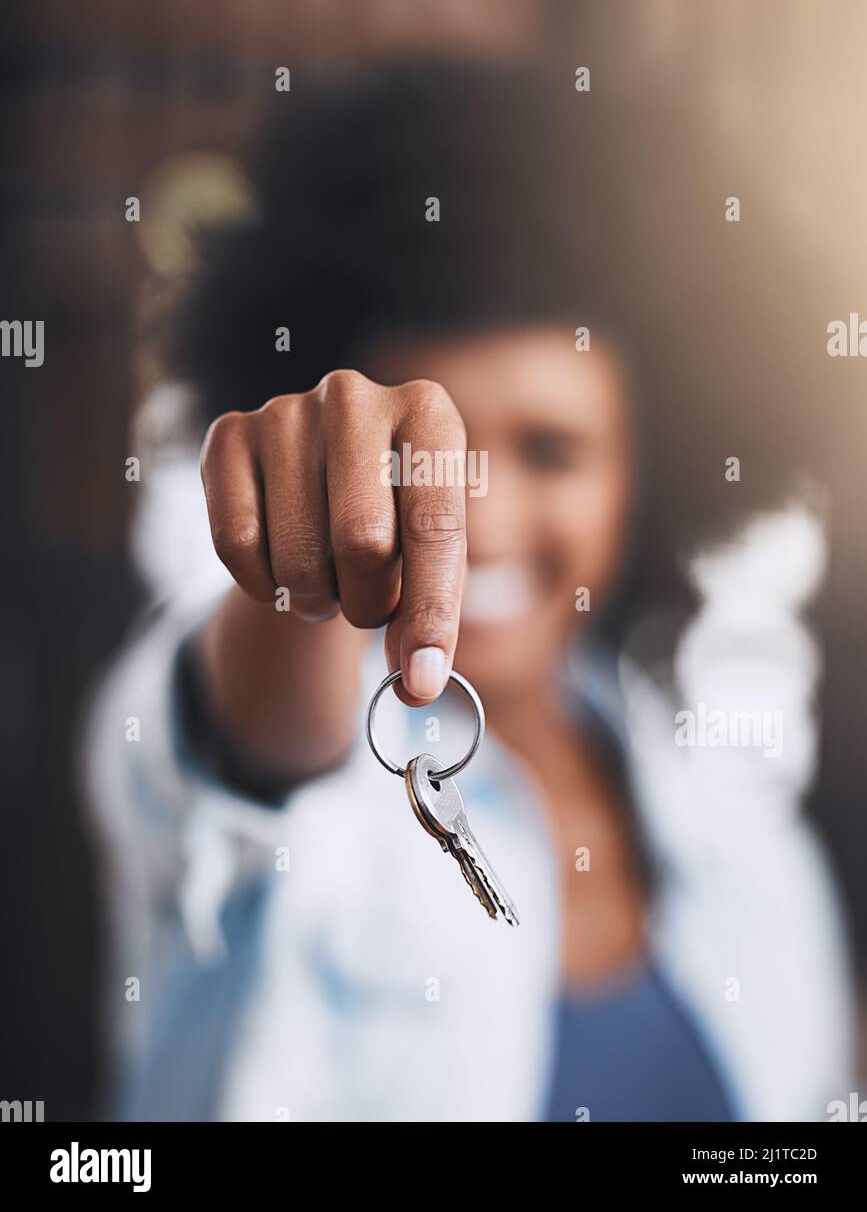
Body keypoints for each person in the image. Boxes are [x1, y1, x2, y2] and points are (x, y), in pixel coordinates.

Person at [82, 59, 853, 1122]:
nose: (476, 518)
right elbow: (231, 746)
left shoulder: (742, 841)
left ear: (647, 471)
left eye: (549, 450)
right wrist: (295, 572)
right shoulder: (290, 753)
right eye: (418, 454)